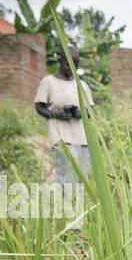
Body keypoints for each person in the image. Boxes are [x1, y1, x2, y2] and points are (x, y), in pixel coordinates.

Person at [34, 47, 93, 184]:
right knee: (67, 169)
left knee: (82, 174)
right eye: (68, 64)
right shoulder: (48, 82)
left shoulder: (82, 85)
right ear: (60, 61)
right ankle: (64, 200)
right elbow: (39, 107)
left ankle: (78, 201)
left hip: (81, 136)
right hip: (60, 134)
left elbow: (91, 110)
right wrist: (57, 115)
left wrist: (81, 113)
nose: (71, 69)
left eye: (75, 66)